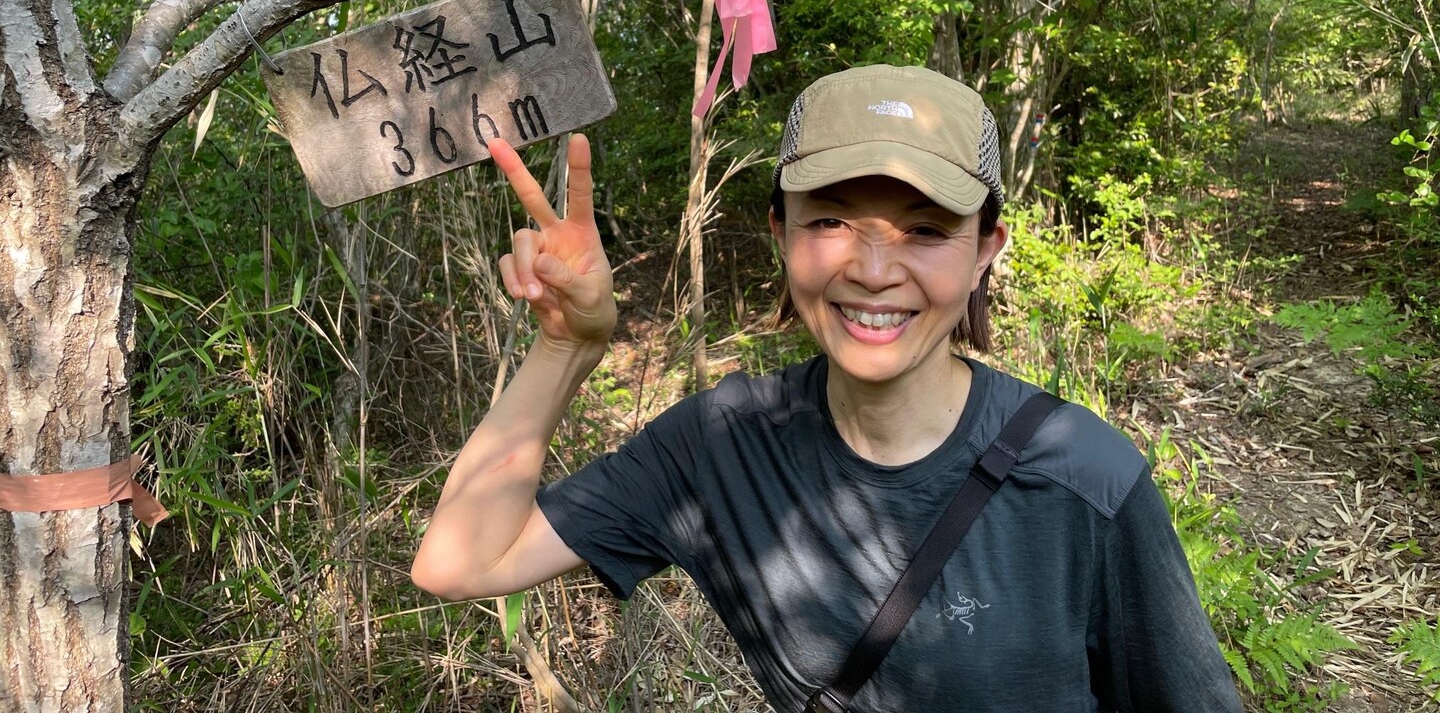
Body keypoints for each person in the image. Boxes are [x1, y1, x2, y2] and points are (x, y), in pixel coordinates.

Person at [411, 64, 1242, 712]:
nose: (873, 271)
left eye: (924, 230)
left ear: (986, 248)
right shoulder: (722, 446)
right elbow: (459, 562)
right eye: (831, 220)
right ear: (780, 231)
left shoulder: (1083, 477)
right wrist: (565, 347)